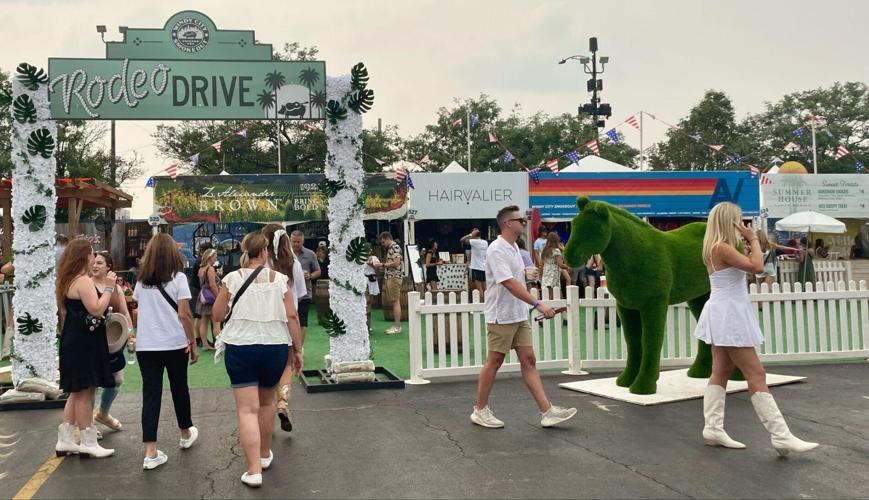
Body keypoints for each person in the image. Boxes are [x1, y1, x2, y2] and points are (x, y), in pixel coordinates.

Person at [694, 202, 817, 455]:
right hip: (729, 313)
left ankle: (713, 428)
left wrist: (750, 244)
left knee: (721, 370)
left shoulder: (714, 247)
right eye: (739, 220)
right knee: (756, 373)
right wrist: (754, 240)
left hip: (723, 310)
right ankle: (780, 435)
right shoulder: (723, 247)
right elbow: (758, 268)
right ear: (730, 221)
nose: (744, 225)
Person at [471, 205, 577, 429]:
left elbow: (514, 278)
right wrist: (538, 303)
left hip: (518, 312)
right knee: (495, 361)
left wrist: (526, 276)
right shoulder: (496, 249)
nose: (524, 222)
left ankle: (546, 411)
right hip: (502, 314)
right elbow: (507, 283)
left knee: (528, 360)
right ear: (508, 223)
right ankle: (480, 410)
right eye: (521, 220)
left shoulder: (514, 248)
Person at [213, 232, 303, 488]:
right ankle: (264, 454)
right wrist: (297, 350)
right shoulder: (279, 280)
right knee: (266, 404)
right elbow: (292, 317)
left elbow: (218, 313)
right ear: (264, 253)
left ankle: (253, 470)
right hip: (274, 346)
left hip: (241, 346)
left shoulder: (231, 278)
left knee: (246, 409)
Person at [133, 233, 199, 470]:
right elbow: (184, 314)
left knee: (151, 394)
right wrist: (193, 342)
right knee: (179, 387)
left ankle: (150, 451)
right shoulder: (179, 278)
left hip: (147, 344)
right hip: (174, 343)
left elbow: (138, 306)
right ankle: (184, 432)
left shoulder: (141, 281)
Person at [55, 239, 117, 458]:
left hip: (73, 339)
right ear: (83, 257)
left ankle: (66, 439)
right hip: (83, 343)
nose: (94, 259)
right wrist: (109, 287)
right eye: (91, 254)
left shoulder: (68, 280)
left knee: (76, 391)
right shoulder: (83, 281)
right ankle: (88, 442)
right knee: (85, 391)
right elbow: (97, 309)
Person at [262, 224, 306, 434]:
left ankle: (268, 411)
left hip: (265, 321)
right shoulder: (293, 264)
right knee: (287, 365)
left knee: (266, 369)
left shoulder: (262, 263)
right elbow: (298, 298)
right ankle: (283, 403)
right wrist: (299, 346)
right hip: (287, 322)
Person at [91, 251, 134, 436]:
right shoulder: (87, 285)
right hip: (92, 342)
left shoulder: (116, 288)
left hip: (114, 341)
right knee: (91, 384)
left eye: (99, 262)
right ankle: (87, 426)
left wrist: (131, 335)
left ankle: (103, 413)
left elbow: (125, 313)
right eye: (93, 262)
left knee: (117, 380)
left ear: (109, 267)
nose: (95, 265)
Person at [290, 230, 321, 345]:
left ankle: (299, 347)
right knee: (290, 321)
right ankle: (291, 348)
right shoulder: (285, 254)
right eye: (294, 242)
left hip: (304, 294)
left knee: (302, 323)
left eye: (298, 242)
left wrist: (310, 275)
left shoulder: (310, 254)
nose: (296, 244)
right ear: (290, 241)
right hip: (288, 293)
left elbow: (318, 271)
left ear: (303, 241)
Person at [378, 231, 404, 335]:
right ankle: (396, 325)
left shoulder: (395, 247)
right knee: (394, 301)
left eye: (383, 242)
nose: (382, 244)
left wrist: (384, 265)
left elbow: (397, 263)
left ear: (386, 238)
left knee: (395, 301)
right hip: (391, 276)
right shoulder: (392, 248)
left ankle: (397, 327)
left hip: (394, 277)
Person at [196, 249, 221, 350]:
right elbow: (212, 285)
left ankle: (205, 344)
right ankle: (220, 344)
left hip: (203, 297)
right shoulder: (210, 269)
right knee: (216, 322)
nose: (216, 258)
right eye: (215, 256)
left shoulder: (201, 269)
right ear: (210, 257)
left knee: (204, 321)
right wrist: (218, 297)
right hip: (211, 298)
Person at [461, 228, 488, 299]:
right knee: (485, 288)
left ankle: (481, 305)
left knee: (479, 289)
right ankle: (486, 304)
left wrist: (470, 235)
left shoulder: (474, 242)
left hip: (476, 267)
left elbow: (462, 240)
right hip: (484, 267)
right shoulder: (485, 242)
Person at [364, 254, 381, 332]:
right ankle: (363, 326)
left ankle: (368, 326)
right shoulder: (358, 258)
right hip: (363, 282)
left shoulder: (374, 258)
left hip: (372, 281)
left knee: (369, 305)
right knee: (363, 304)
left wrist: (373, 266)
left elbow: (378, 272)